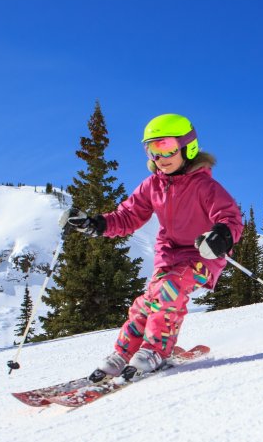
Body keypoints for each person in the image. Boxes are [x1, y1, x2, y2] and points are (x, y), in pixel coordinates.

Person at [61, 113, 244, 377]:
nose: (160, 157)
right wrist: (96, 224)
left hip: (202, 254)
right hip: (169, 256)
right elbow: (128, 216)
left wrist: (222, 235)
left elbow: (230, 217)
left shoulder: (204, 186)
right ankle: (124, 353)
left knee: (170, 289)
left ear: (188, 146)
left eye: (166, 146)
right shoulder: (152, 185)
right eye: (152, 149)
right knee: (146, 303)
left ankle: (155, 350)